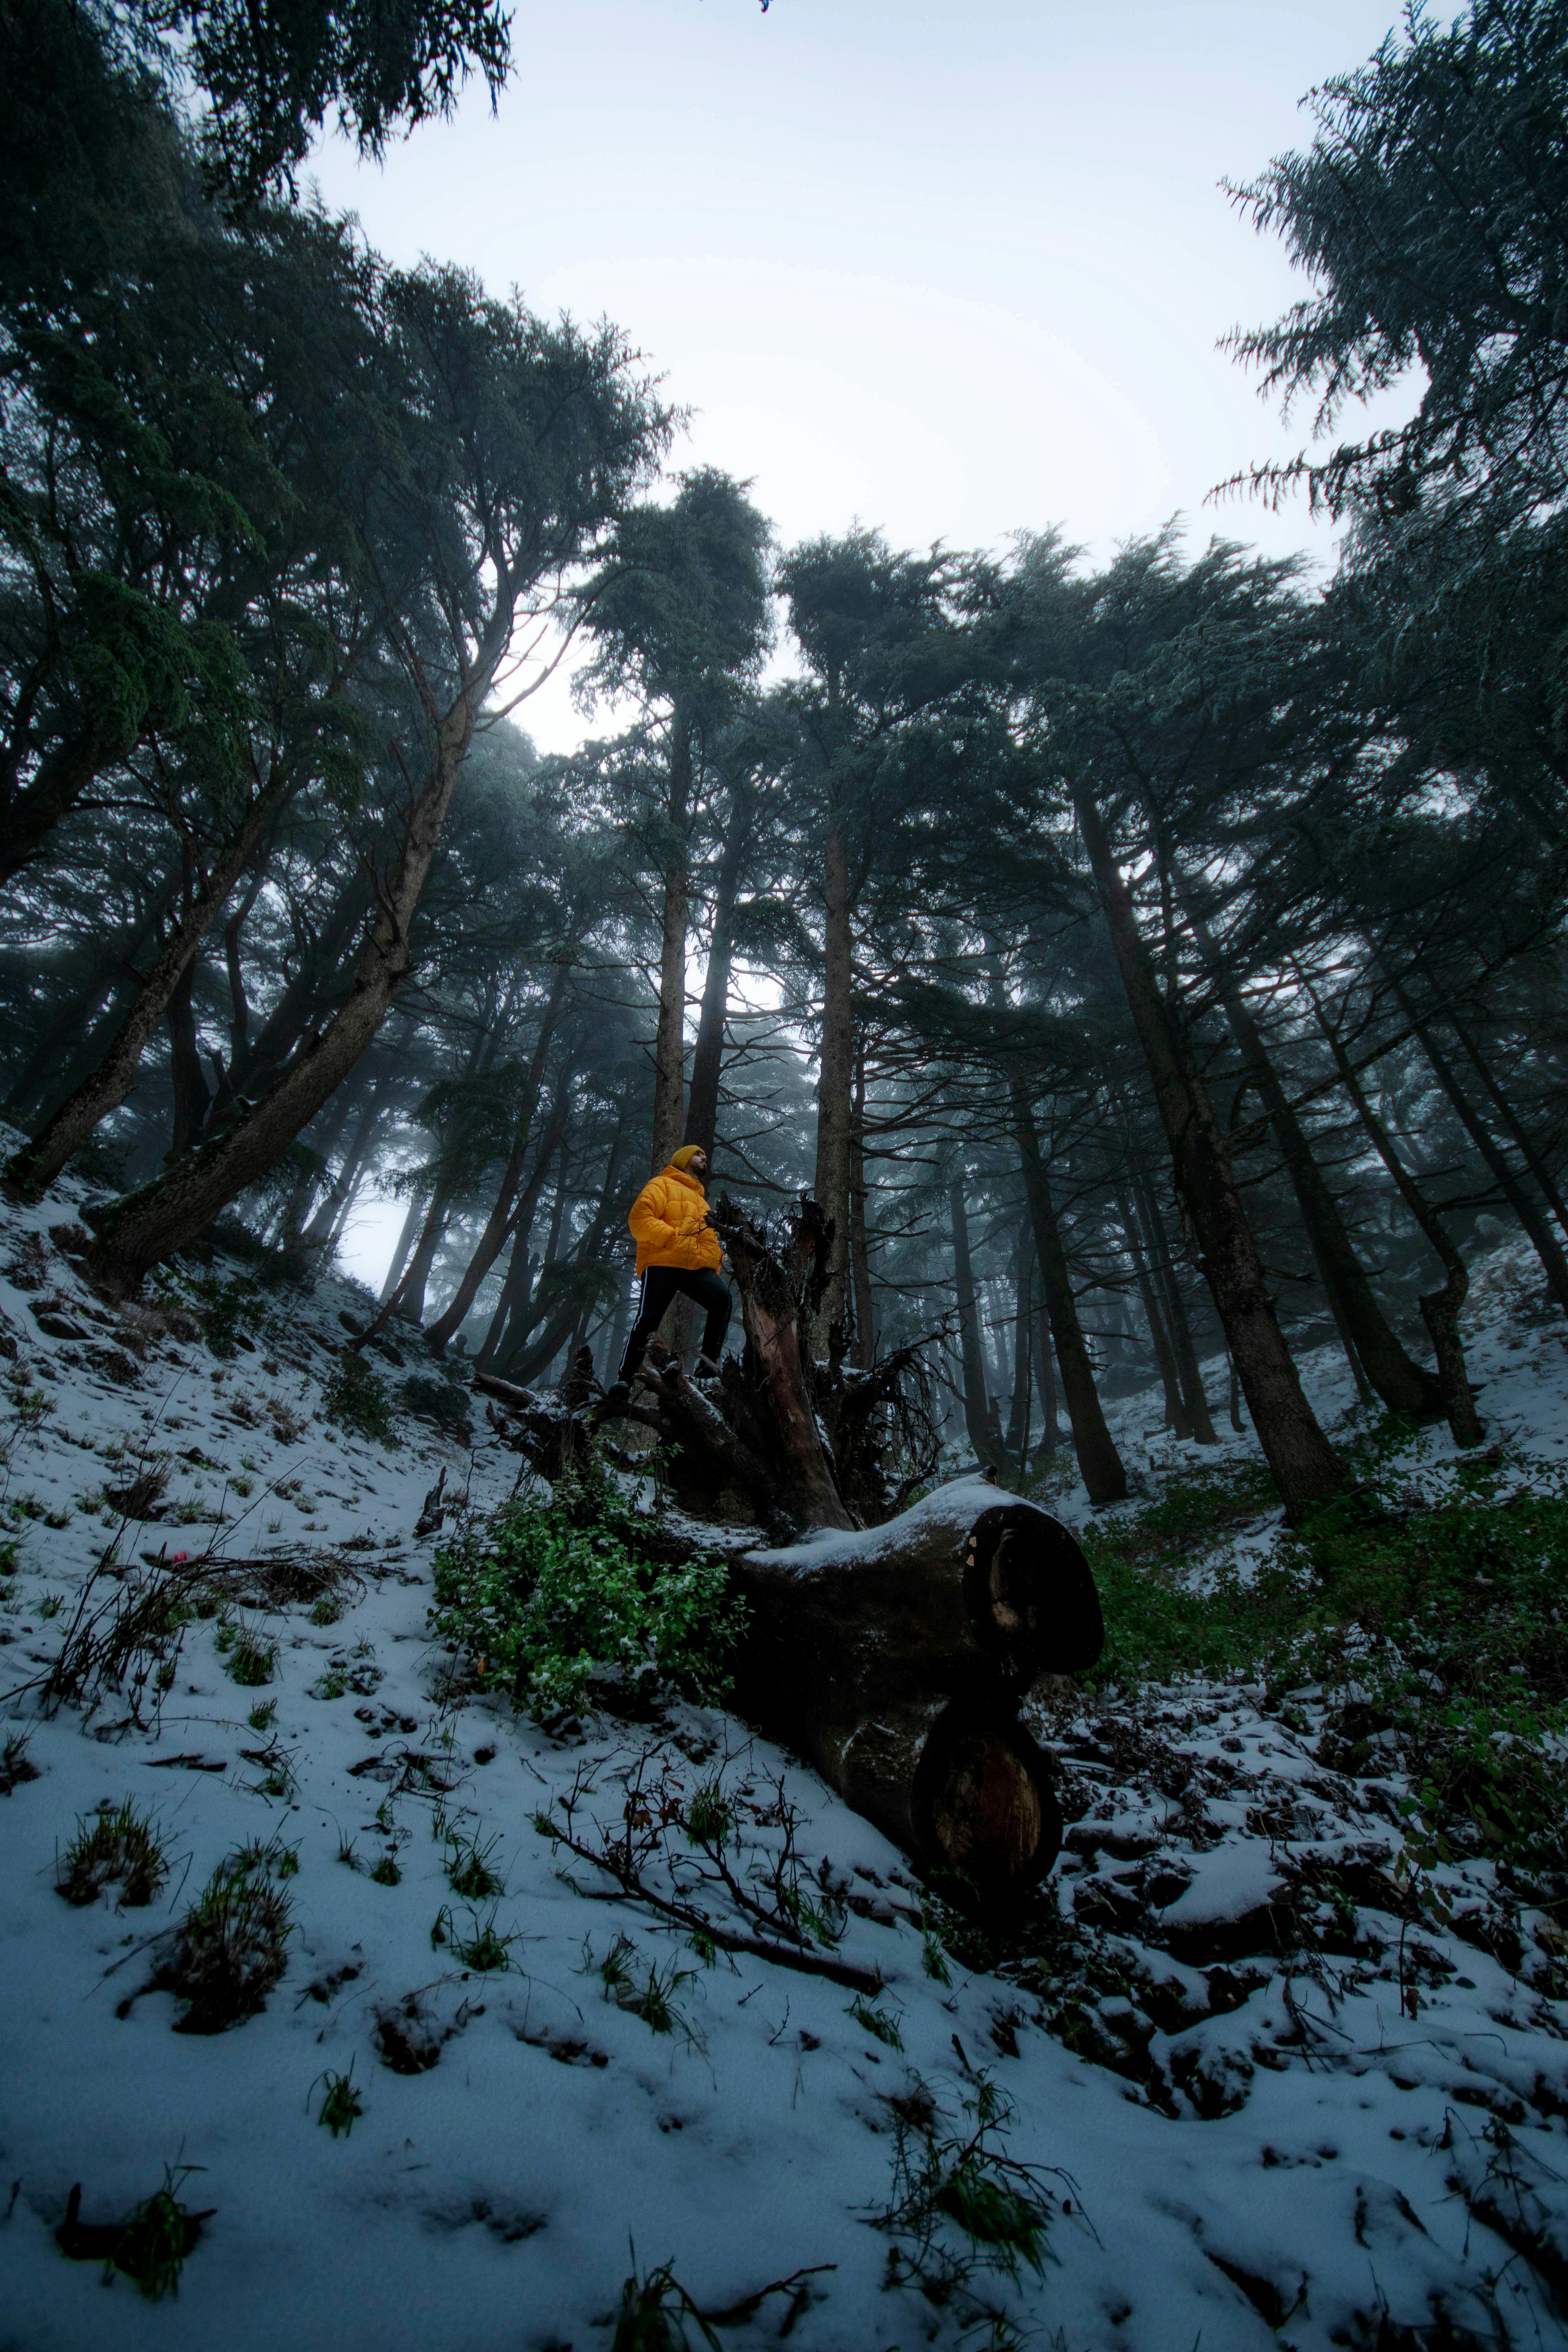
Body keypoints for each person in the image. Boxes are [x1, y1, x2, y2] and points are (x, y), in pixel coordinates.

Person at [603, 1144, 731, 1404]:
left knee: (722, 1300)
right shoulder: (661, 1184)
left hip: (694, 1268)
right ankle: (624, 1381)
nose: (704, 1158)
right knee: (648, 1321)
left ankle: (707, 1374)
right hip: (663, 1262)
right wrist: (672, 1238)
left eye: (705, 1156)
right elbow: (640, 1219)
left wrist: (715, 1261)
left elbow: (709, 1240)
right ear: (684, 1160)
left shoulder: (701, 1202)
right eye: (699, 1155)